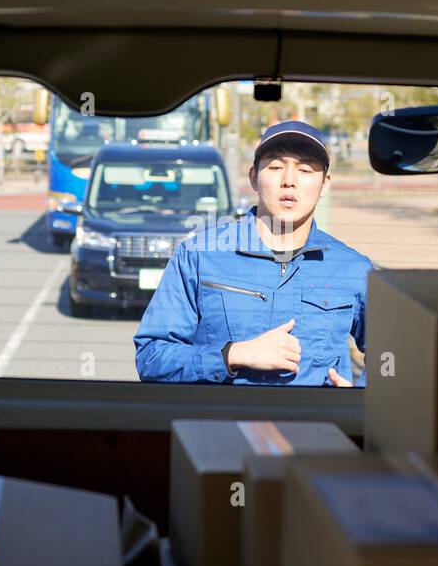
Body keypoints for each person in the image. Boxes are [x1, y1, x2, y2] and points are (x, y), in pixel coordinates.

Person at [134, 120, 371, 386]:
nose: (289, 181)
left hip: (318, 426)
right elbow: (151, 358)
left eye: (305, 169)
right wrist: (233, 355)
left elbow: (398, 358)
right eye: (275, 167)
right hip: (223, 425)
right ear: (253, 177)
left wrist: (361, 401)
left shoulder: (354, 269)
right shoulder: (199, 256)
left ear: (325, 184)